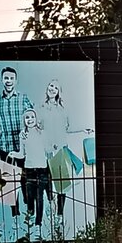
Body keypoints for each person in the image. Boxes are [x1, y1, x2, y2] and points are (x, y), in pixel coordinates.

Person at [39, 80, 94, 227]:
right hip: (46, 151)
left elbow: (68, 128)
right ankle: (50, 204)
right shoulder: (41, 108)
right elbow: (37, 128)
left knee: (62, 184)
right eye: (51, 86)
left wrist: (83, 130)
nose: (52, 89)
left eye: (56, 88)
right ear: (47, 88)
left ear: (59, 92)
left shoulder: (63, 110)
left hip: (61, 150)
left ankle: (60, 215)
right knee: (47, 181)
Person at [0, 66, 33, 218]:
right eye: (6, 78)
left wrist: (31, 137)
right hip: (5, 147)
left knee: (26, 180)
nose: (9, 81)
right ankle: (15, 215)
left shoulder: (23, 98)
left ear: (15, 80)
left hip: (23, 147)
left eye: (11, 78)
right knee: (10, 183)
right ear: (2, 80)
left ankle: (29, 211)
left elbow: (33, 119)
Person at [7, 108, 51, 237]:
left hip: (42, 170)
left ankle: (38, 225)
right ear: (24, 121)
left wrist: (53, 146)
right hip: (29, 170)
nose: (30, 120)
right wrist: (13, 154)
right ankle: (30, 218)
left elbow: (48, 149)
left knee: (40, 198)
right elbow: (22, 154)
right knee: (29, 198)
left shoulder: (43, 133)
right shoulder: (23, 135)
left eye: (32, 117)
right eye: (27, 118)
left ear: (36, 119)